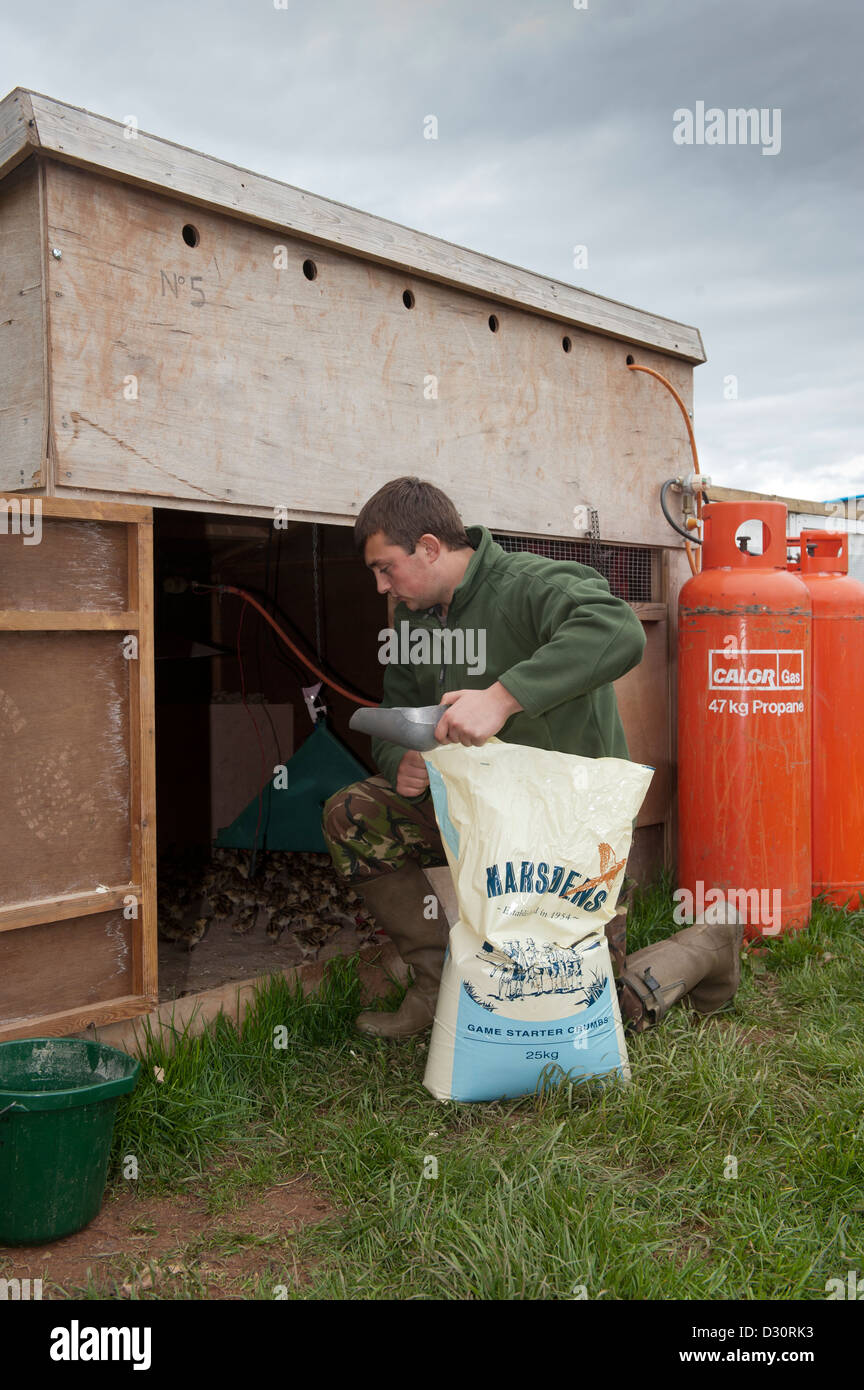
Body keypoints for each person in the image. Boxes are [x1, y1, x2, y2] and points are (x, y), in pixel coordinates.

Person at [323, 477, 740, 1038]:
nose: (381, 587)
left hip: (566, 824)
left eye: (385, 568)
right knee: (353, 813)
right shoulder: (410, 622)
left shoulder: (530, 584)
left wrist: (500, 698)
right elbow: (396, 712)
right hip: (473, 810)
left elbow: (617, 631)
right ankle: (437, 988)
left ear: (427, 546)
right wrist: (400, 757)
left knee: (588, 1014)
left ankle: (705, 945)